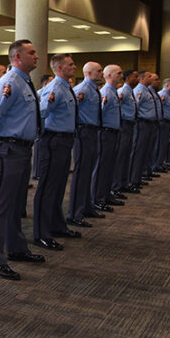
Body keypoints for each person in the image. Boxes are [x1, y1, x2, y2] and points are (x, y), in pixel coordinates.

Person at [0, 40, 45, 281]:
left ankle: (17, 249)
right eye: (32, 52)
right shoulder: (9, 82)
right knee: (0, 205)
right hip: (8, 149)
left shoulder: (24, 81)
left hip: (21, 149)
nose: (37, 56)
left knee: (15, 204)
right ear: (17, 57)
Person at [34, 54, 78, 250]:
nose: (74, 67)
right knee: (48, 187)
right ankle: (42, 233)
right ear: (59, 68)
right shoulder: (54, 88)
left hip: (64, 140)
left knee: (59, 186)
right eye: (70, 64)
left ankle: (56, 225)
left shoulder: (65, 87)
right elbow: (42, 112)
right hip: (54, 141)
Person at [67, 61, 104, 228]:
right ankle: (75, 212)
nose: (101, 73)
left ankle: (86, 206)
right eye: (99, 71)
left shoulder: (93, 88)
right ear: (88, 73)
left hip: (92, 131)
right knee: (81, 172)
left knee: (88, 170)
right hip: (83, 132)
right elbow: (73, 111)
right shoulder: (81, 89)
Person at [92, 65, 124, 211]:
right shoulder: (106, 92)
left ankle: (106, 194)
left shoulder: (113, 91)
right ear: (109, 75)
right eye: (119, 73)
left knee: (109, 166)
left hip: (112, 133)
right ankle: (98, 198)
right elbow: (100, 113)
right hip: (105, 133)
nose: (122, 75)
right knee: (102, 167)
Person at [112, 70, 139, 195]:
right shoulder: (122, 91)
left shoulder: (130, 91)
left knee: (126, 155)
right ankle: (116, 185)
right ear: (128, 78)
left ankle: (123, 183)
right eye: (135, 76)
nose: (137, 79)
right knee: (121, 156)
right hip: (124, 124)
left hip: (130, 125)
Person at [131, 71, 158, 189]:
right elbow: (136, 107)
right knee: (139, 151)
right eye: (149, 77)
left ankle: (139, 176)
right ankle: (134, 178)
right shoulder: (139, 90)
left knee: (145, 151)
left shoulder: (146, 90)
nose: (151, 78)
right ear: (142, 78)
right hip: (142, 123)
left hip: (149, 123)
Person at [156, 78, 170, 171]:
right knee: (161, 144)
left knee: (164, 144)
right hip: (163, 122)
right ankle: (157, 163)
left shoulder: (168, 95)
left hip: (168, 122)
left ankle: (161, 162)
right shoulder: (162, 94)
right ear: (167, 86)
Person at [147, 73, 164, 177]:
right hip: (146, 123)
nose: (158, 82)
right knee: (144, 149)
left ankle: (150, 168)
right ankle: (145, 170)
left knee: (151, 148)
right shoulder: (146, 92)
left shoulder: (154, 93)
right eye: (156, 80)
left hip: (155, 122)